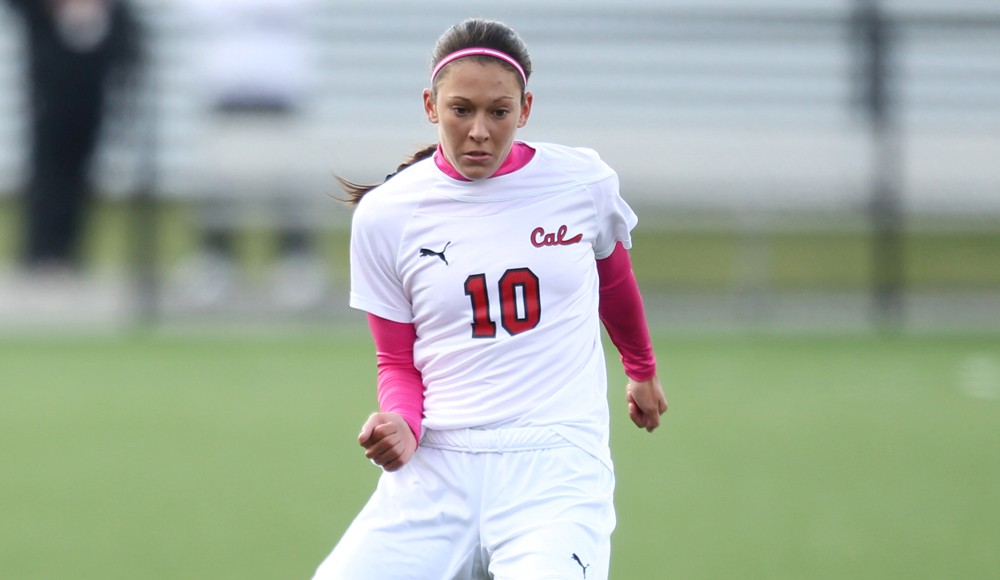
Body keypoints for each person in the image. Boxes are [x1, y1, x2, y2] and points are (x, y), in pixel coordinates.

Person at [313, 18, 667, 580]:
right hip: (435, 470)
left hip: (554, 467)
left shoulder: (581, 182)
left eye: (498, 112)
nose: (479, 130)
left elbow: (615, 280)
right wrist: (402, 422)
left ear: (525, 110)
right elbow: (397, 362)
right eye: (462, 109)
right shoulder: (387, 214)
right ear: (430, 105)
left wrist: (641, 369)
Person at [4, 0, 137, 274]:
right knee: (48, 177)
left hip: (91, 104)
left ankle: (70, 253)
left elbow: (125, 49)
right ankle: (41, 252)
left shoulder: (111, 12)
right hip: (50, 102)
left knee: (82, 178)